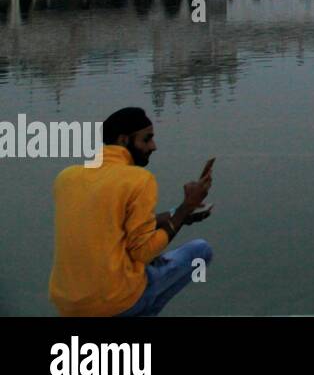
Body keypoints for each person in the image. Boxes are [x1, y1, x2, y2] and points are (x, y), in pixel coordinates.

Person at [49, 107, 214, 317]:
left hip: (68, 305)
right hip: (114, 301)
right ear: (124, 140)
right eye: (147, 139)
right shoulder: (139, 180)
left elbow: (113, 225)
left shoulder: (66, 178)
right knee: (200, 251)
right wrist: (185, 208)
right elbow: (143, 252)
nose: (153, 146)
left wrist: (178, 212)